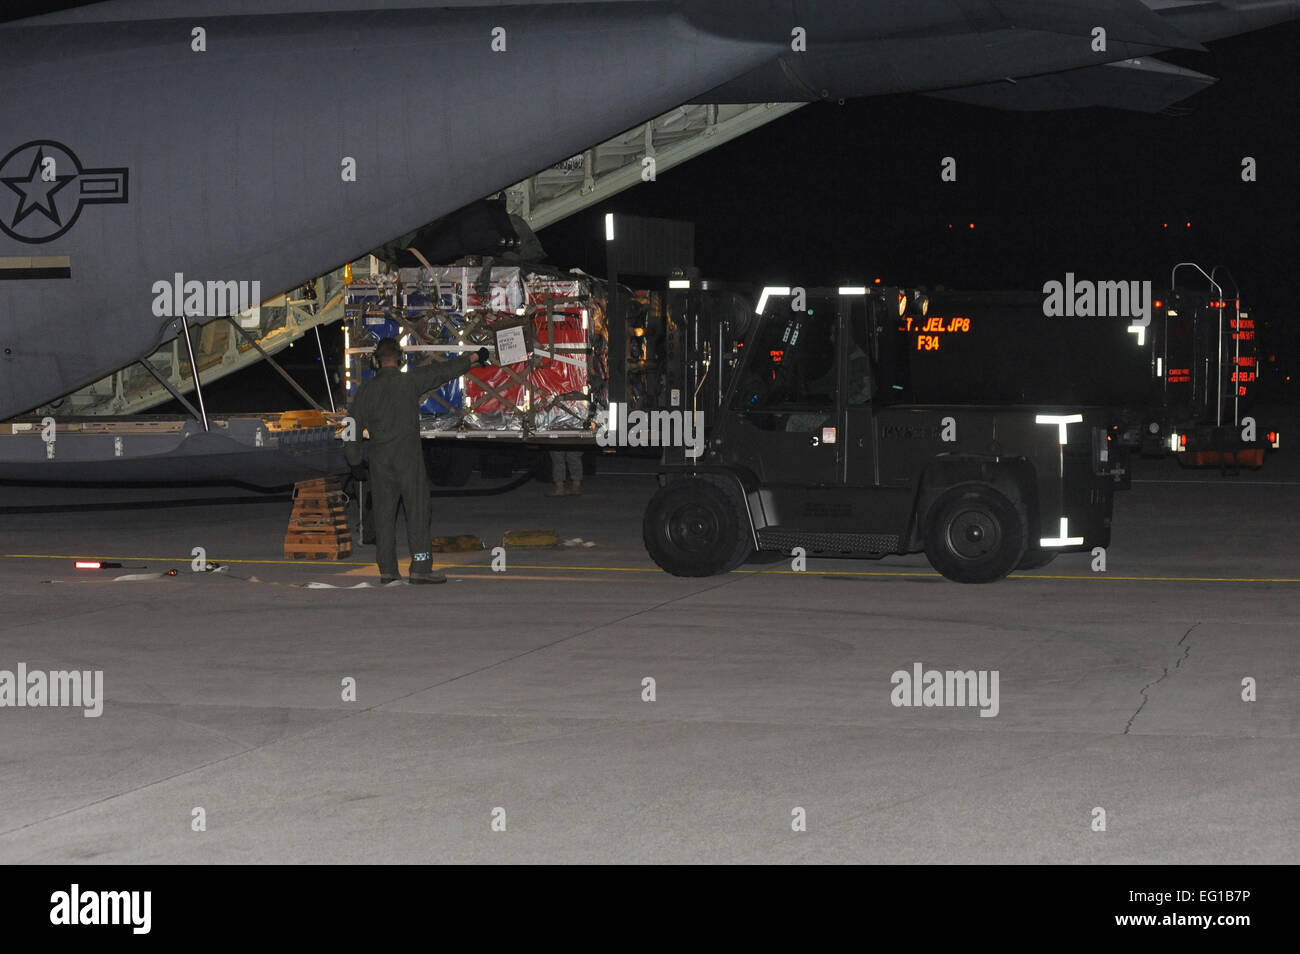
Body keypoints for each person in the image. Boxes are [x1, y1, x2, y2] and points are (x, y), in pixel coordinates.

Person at [344, 337, 489, 584]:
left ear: (377, 361)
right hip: (408, 460)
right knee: (418, 513)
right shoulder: (408, 382)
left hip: (380, 462)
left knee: (383, 516)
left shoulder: (365, 391)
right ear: (399, 359)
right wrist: (473, 358)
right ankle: (420, 567)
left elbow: (350, 427)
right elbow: (441, 372)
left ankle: (387, 570)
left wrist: (355, 461)